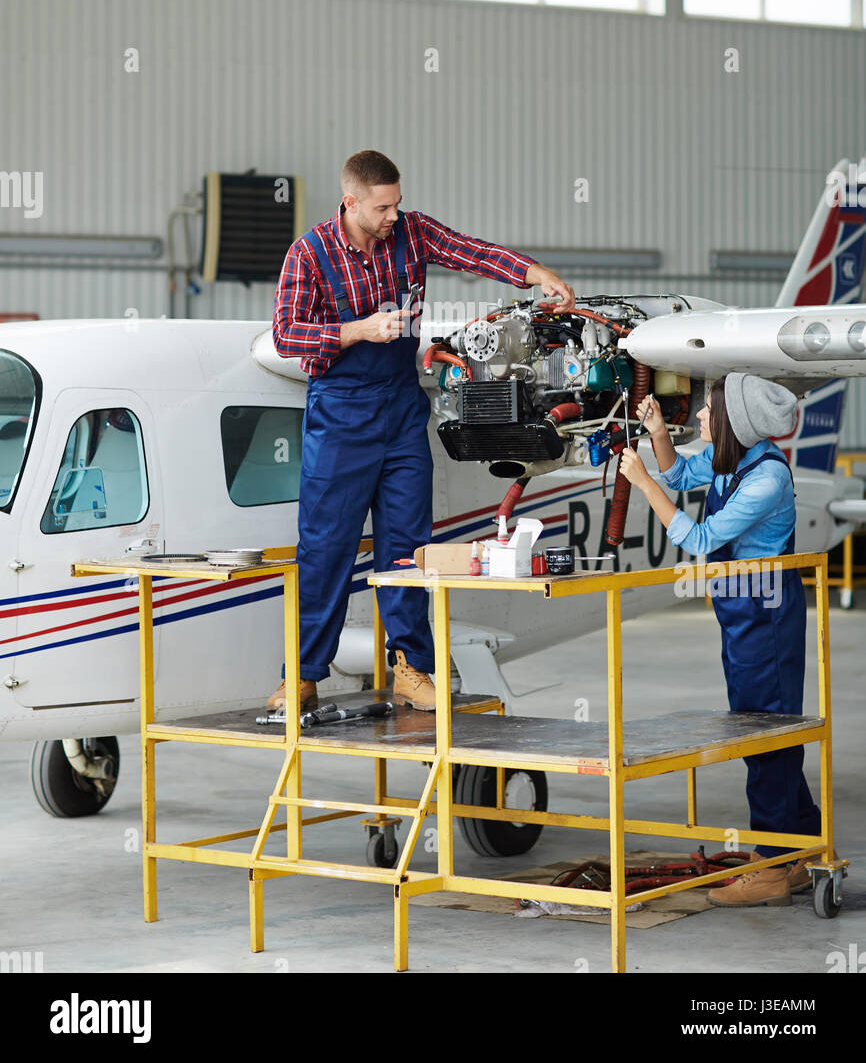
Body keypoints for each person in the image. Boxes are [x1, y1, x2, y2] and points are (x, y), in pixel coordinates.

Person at [269, 149, 575, 713]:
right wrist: (359, 330)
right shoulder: (308, 254)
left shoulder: (411, 234)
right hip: (341, 415)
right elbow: (287, 338)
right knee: (325, 548)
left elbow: (470, 251)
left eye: (397, 204)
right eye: (382, 207)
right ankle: (305, 675)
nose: (393, 216)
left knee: (408, 549)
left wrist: (534, 274)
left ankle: (413, 668)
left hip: (403, 413)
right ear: (351, 202)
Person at [620, 373, 824, 907]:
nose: (702, 417)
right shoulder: (735, 459)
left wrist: (643, 484)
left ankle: (772, 867)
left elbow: (703, 537)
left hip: (767, 614)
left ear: (734, 421)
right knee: (765, 731)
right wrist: (659, 433)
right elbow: (682, 472)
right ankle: (800, 847)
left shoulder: (766, 478)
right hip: (741, 610)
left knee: (764, 739)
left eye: (710, 411)